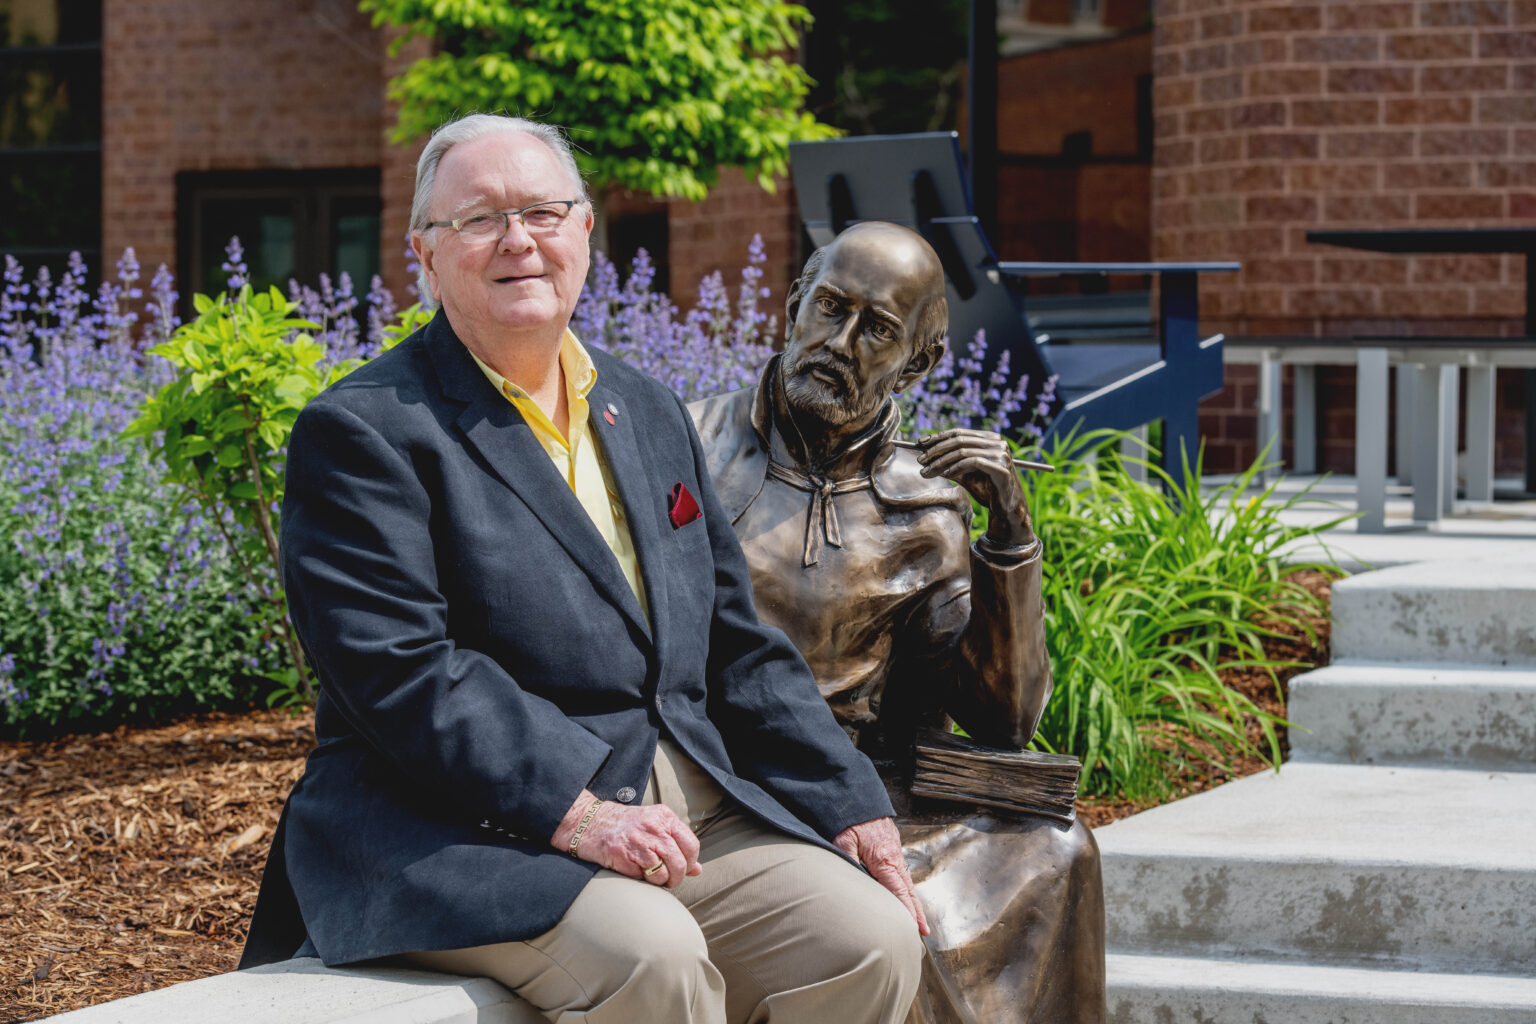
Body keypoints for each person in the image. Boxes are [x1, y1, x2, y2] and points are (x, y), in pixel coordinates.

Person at [240, 114, 925, 1024]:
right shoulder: (364, 431)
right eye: (478, 220)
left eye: (542, 212)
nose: (517, 240)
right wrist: (582, 812)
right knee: (654, 958)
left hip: (686, 811)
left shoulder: (646, 409)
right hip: (459, 828)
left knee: (868, 939)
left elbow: (734, 640)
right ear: (426, 257)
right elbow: (403, 672)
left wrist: (850, 802)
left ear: (585, 231)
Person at [690, 222, 1106, 1024]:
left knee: (1057, 850)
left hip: (869, 785)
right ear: (793, 305)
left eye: (877, 329)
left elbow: (1005, 722)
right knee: (883, 899)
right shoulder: (690, 445)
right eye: (830, 308)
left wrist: (1010, 539)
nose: (840, 343)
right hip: (725, 773)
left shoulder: (928, 504)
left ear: (919, 362)